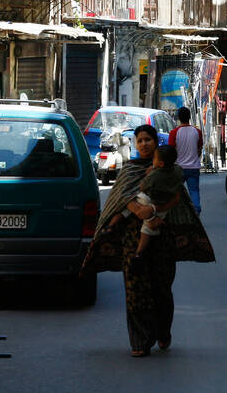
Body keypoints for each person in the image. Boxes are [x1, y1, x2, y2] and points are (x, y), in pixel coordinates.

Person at [79, 125, 215, 357]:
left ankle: (163, 332)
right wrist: (136, 208)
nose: (143, 144)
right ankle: (140, 341)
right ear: (135, 143)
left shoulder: (170, 171)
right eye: (139, 140)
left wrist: (155, 213)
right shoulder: (128, 171)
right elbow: (120, 198)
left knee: (161, 289)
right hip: (132, 239)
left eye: (148, 140)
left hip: (161, 239)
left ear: (155, 143)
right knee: (134, 290)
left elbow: (177, 200)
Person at [130, 144, 183, 264]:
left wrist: (149, 173)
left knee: (130, 202)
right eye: (140, 140)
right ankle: (139, 253)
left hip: (151, 201)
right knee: (148, 227)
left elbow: (143, 187)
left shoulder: (155, 174)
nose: (144, 144)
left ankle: (138, 251)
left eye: (155, 158)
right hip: (164, 208)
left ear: (161, 164)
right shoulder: (178, 170)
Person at [170, 106, 203, 212]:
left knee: (176, 191)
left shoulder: (174, 133)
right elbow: (199, 149)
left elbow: (171, 151)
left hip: (178, 168)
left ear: (179, 118)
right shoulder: (197, 132)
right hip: (193, 167)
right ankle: (196, 210)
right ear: (189, 117)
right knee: (194, 191)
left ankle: (177, 213)